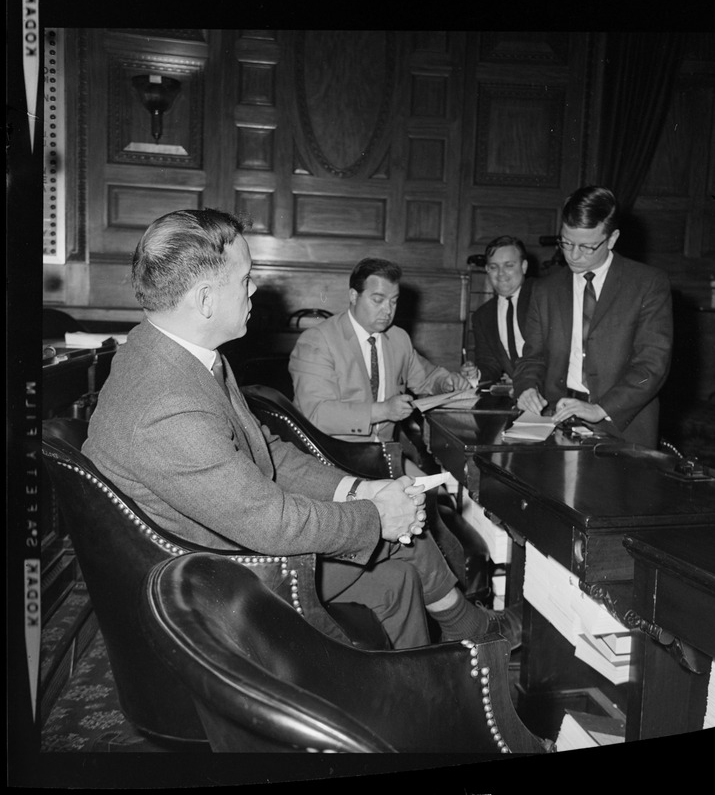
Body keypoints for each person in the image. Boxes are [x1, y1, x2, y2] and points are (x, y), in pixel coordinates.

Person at [83, 208, 519, 650]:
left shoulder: (175, 355)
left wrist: (357, 491)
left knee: (398, 580)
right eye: (245, 278)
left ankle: (418, 686)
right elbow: (270, 523)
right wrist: (375, 516)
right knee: (404, 547)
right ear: (205, 300)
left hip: (222, 557)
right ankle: (459, 643)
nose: (255, 290)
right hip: (215, 590)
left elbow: (265, 453)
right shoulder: (167, 404)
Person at [513, 186, 673, 448]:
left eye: (587, 247)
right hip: (558, 420)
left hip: (622, 423)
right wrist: (526, 388)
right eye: (566, 242)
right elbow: (532, 357)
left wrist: (600, 408)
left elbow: (652, 365)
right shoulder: (545, 290)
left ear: (612, 239)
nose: (573, 255)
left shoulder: (647, 284)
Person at [289, 257, 472, 445]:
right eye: (378, 300)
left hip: (384, 451)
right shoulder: (317, 341)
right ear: (353, 296)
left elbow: (427, 378)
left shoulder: (398, 338)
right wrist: (383, 411)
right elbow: (316, 414)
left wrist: (446, 382)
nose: (387, 311)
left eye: (393, 301)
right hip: (328, 451)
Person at [461, 235, 534, 387]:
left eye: (509, 265)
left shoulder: (542, 298)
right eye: (494, 267)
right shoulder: (483, 316)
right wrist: (477, 373)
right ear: (487, 269)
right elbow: (489, 363)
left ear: (524, 266)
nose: (501, 274)